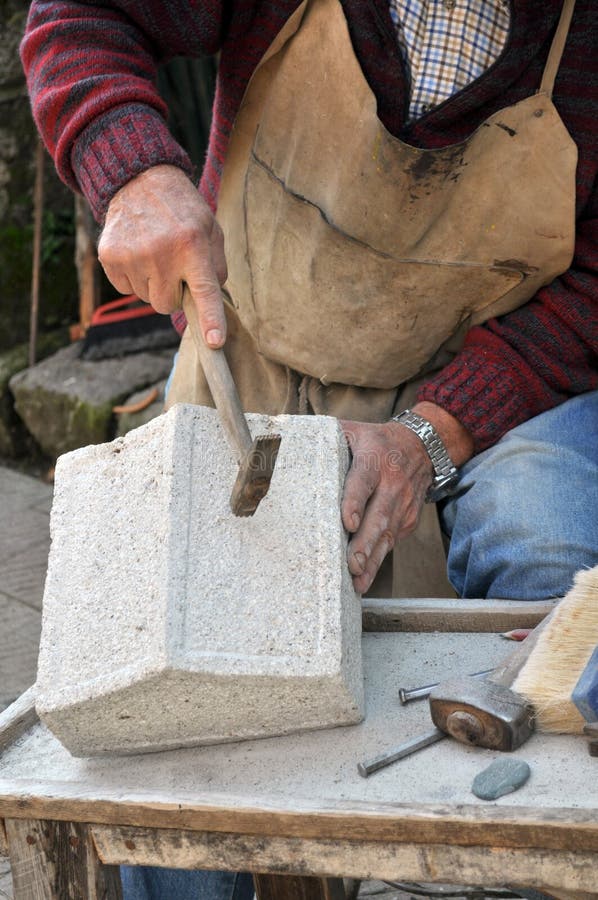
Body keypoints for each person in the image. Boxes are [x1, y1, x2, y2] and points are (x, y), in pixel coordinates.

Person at [21, 0, 597, 897]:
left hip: (467, 409)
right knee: (163, 744)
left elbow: (588, 294)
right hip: (241, 370)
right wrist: (132, 171)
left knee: (430, 758)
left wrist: (428, 439)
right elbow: (82, 16)